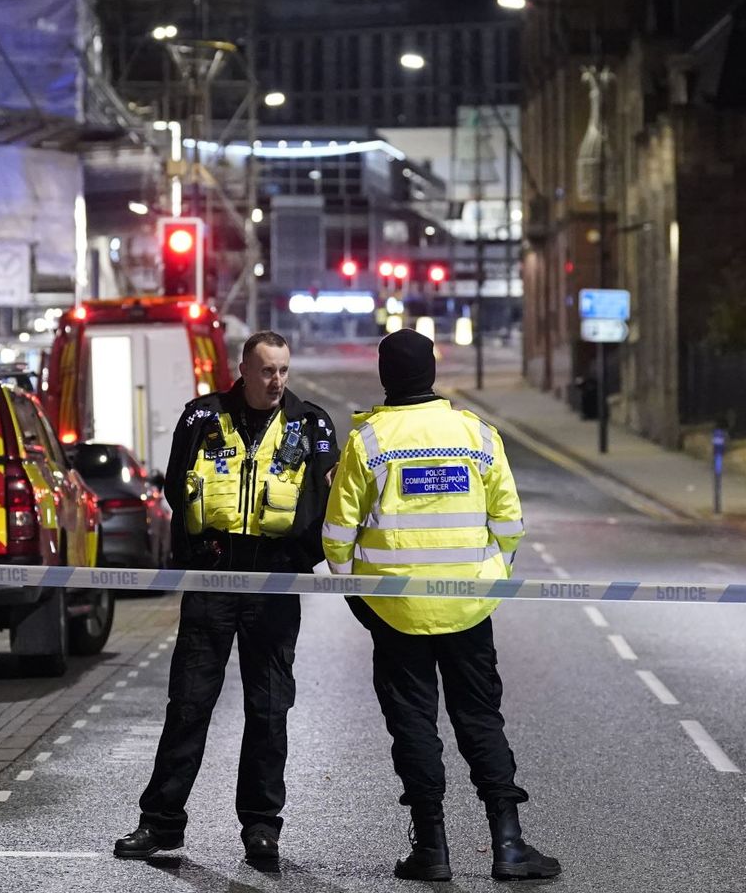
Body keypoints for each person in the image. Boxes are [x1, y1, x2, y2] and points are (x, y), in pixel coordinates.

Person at [323, 329, 561, 882]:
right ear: (432, 371)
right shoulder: (476, 434)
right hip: (470, 607)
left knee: (412, 723)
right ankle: (509, 845)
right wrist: (491, 578)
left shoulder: (370, 441)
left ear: (385, 376)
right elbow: (509, 523)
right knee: (480, 718)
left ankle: (431, 850)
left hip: (397, 610)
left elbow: (337, 535)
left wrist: (360, 592)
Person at [114, 330, 338, 870]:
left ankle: (261, 829)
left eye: (283, 370)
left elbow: (325, 495)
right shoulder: (201, 417)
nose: (277, 381)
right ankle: (161, 823)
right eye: (266, 370)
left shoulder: (313, 424)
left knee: (268, 710)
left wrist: (298, 557)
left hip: (275, 583)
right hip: (213, 580)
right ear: (243, 368)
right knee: (189, 705)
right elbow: (176, 489)